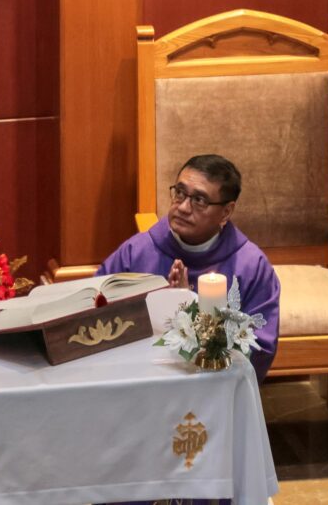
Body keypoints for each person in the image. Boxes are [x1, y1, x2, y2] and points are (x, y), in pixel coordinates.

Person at [97, 154, 280, 381]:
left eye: (200, 200)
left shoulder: (251, 266)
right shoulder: (137, 253)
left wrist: (190, 308)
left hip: (215, 395)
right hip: (142, 389)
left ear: (226, 212)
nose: (183, 207)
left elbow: (260, 348)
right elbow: (97, 313)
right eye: (180, 193)